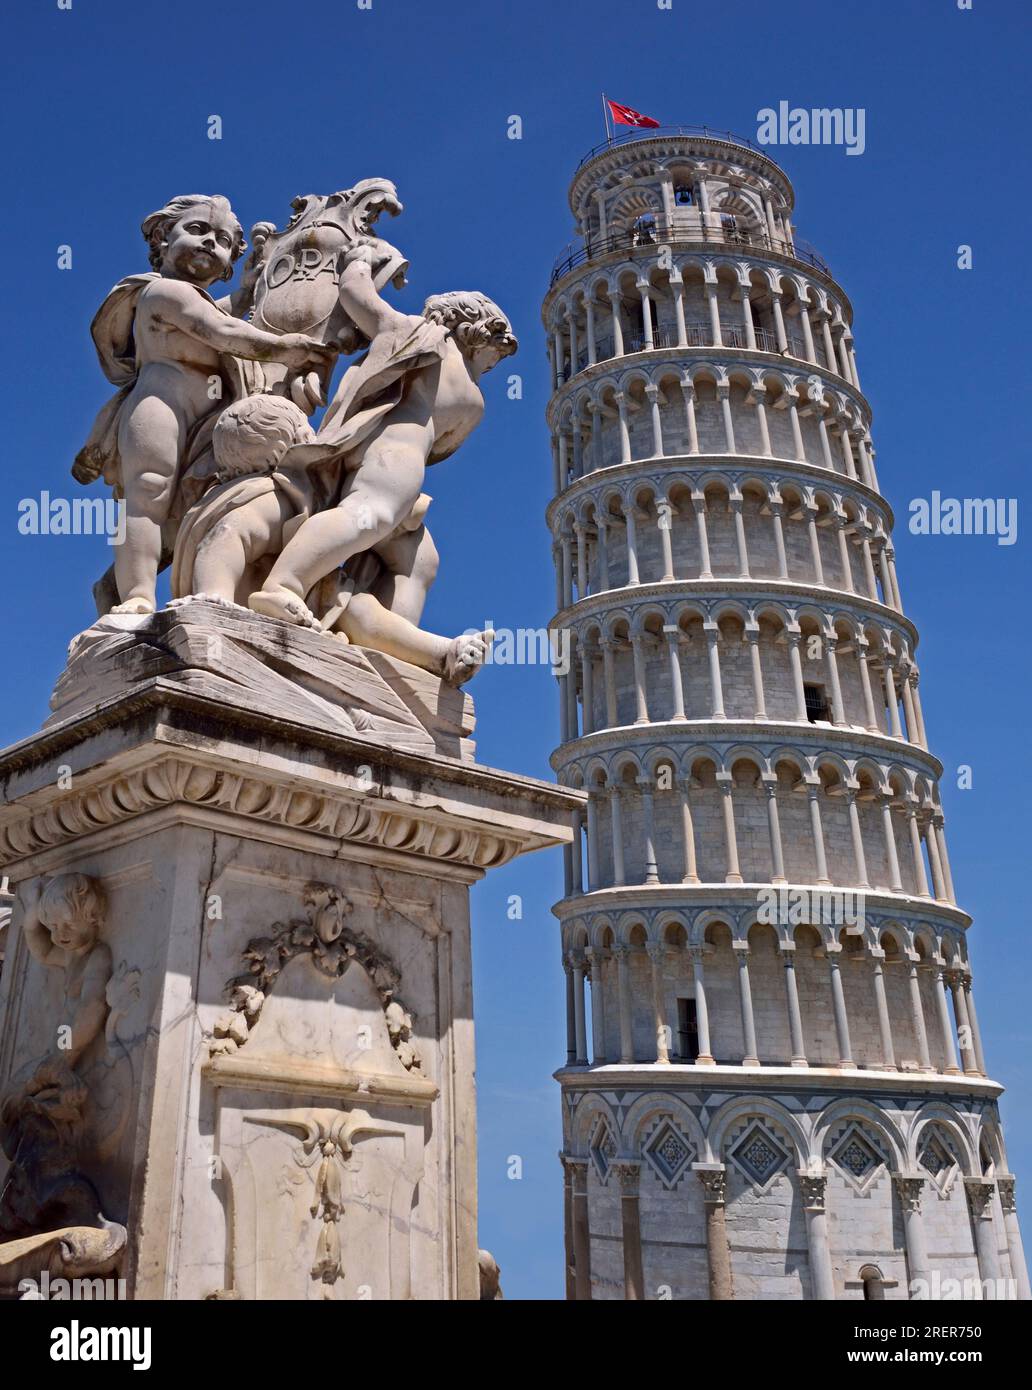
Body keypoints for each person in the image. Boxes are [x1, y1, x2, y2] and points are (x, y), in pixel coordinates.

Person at [73, 195, 336, 616]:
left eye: (224, 241)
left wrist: (250, 291)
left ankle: (133, 588)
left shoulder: (200, 301)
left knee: (198, 507)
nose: (211, 243)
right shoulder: (160, 292)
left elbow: (221, 313)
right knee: (148, 497)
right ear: (161, 237)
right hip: (161, 402)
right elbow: (219, 330)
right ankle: (137, 596)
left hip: (212, 415)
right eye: (197, 230)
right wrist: (287, 349)